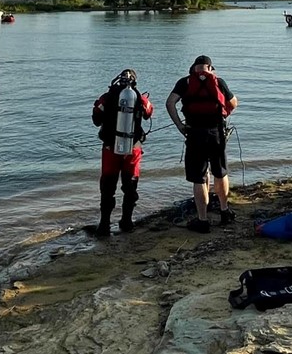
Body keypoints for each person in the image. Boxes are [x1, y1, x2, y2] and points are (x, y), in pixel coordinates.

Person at [166, 55, 238, 233]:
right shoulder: (218, 81)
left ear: (194, 68)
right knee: (220, 173)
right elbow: (233, 103)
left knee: (199, 177)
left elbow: (170, 103)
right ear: (210, 68)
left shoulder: (185, 82)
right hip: (216, 133)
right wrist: (223, 115)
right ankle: (224, 211)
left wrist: (180, 125)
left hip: (194, 133)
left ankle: (202, 220)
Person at [92, 69, 153, 237]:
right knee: (130, 186)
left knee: (107, 188)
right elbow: (149, 113)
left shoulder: (107, 97)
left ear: (118, 80)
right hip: (133, 149)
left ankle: (104, 225)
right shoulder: (139, 98)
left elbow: (96, 119)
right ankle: (127, 222)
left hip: (110, 149)